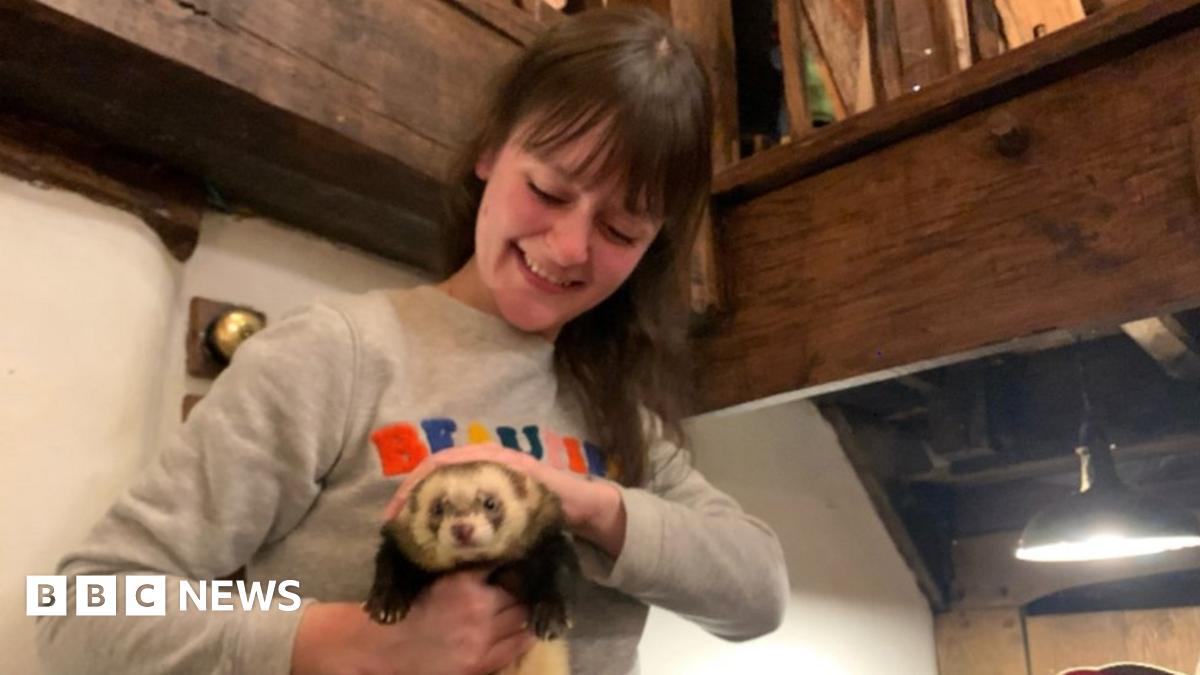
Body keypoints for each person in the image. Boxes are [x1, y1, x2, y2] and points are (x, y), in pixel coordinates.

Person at [36, 8, 788, 674]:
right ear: (490, 152)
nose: (568, 246)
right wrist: (346, 641)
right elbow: (79, 605)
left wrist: (580, 503)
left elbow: (758, 590)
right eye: (549, 191)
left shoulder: (618, 415)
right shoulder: (338, 356)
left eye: (620, 229)